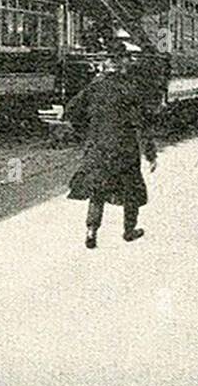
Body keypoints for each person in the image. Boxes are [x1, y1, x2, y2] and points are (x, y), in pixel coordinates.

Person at [65, 54, 157, 249]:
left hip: (98, 147)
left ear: (104, 69)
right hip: (125, 148)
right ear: (122, 68)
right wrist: (150, 154)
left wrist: (87, 132)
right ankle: (129, 230)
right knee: (131, 189)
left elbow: (71, 110)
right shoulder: (130, 90)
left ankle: (91, 230)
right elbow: (142, 124)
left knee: (97, 189)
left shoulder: (94, 87)